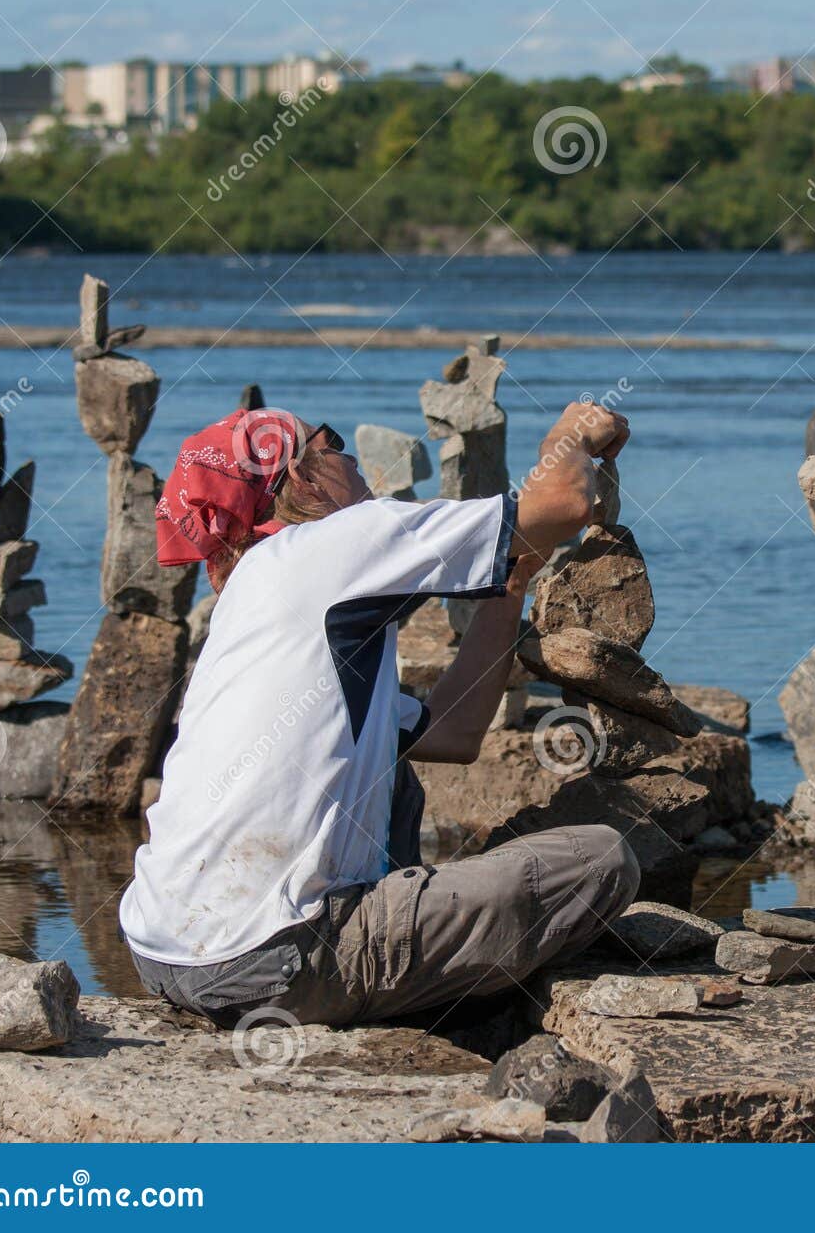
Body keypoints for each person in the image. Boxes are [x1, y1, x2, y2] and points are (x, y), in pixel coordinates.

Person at [118, 400, 639, 1027]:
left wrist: (514, 579)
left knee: (398, 782)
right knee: (602, 858)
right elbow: (564, 503)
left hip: (162, 953)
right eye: (331, 442)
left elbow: (455, 731)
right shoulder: (328, 545)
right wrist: (572, 432)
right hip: (274, 959)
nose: (352, 454)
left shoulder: (265, 603)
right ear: (299, 479)